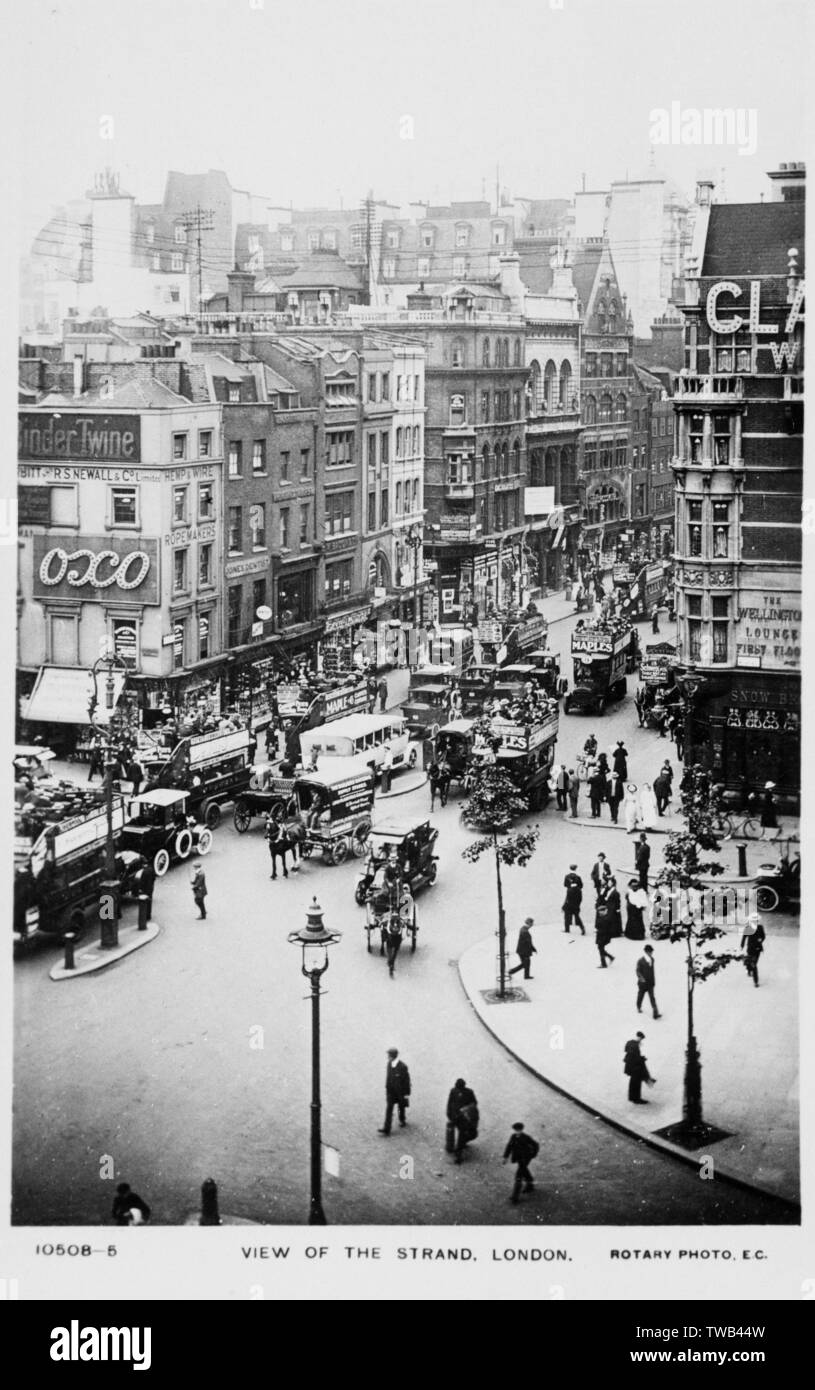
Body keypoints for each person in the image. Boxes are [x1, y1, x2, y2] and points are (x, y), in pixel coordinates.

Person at [503, 1122, 539, 1204]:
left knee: (518, 1176)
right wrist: (505, 1157)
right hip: (519, 1159)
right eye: (516, 1130)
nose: (517, 1131)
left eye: (519, 1130)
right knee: (524, 1171)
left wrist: (533, 1154)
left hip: (525, 1158)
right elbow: (509, 1146)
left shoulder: (526, 1137)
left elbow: (536, 1145)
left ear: (521, 1130)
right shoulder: (513, 1136)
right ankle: (530, 1185)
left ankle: (515, 1197)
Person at [446, 1079, 479, 1164]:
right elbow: (474, 1103)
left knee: (460, 1134)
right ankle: (457, 1151)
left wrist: (449, 1113)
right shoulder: (457, 1091)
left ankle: (456, 1151)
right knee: (461, 1134)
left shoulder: (457, 1091)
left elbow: (449, 1103)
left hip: (461, 1117)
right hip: (460, 1117)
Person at [379, 1048, 411, 1134]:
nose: (387, 1057)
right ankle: (387, 1128)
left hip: (400, 1092)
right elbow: (388, 1077)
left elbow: (406, 1081)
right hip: (391, 1092)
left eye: (388, 1056)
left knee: (401, 1107)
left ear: (392, 1056)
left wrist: (407, 1093)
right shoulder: (389, 1064)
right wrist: (387, 1088)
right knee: (389, 1109)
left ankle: (402, 1119)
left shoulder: (403, 1067)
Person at [623, 1032, 654, 1104]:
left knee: (633, 1083)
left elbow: (630, 1055)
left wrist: (640, 1058)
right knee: (636, 1083)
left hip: (631, 1067)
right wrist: (642, 1059)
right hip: (635, 1068)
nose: (641, 1041)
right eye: (641, 1039)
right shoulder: (635, 1046)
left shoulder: (630, 1043)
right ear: (639, 1038)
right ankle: (636, 1099)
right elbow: (634, 1057)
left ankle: (632, 1097)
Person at [636, 944, 662, 1018]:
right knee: (640, 996)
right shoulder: (640, 961)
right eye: (649, 952)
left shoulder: (652, 960)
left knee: (652, 998)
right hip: (643, 984)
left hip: (650, 983)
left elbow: (652, 971)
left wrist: (653, 981)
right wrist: (641, 978)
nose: (651, 953)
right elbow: (638, 971)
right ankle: (638, 1007)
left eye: (651, 952)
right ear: (646, 952)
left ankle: (655, 1013)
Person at [740, 915, 766, 987]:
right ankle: (756, 982)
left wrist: (761, 939)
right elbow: (744, 937)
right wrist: (742, 946)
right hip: (750, 949)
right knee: (754, 965)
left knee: (754, 963)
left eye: (756, 921)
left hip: (758, 949)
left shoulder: (760, 927)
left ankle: (748, 969)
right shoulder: (748, 928)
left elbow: (763, 936)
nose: (755, 922)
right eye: (753, 921)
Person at [562, 866, 585, 935]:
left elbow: (565, 885)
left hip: (569, 897)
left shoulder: (567, 877)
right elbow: (581, 886)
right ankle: (582, 928)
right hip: (576, 900)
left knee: (567, 914)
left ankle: (567, 929)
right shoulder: (578, 877)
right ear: (575, 869)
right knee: (577, 915)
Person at [594, 898, 615, 968]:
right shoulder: (605, 917)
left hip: (602, 936)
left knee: (600, 949)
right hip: (603, 936)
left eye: (600, 911)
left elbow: (599, 926)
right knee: (601, 949)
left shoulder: (604, 919)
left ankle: (604, 963)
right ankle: (610, 957)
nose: (599, 912)